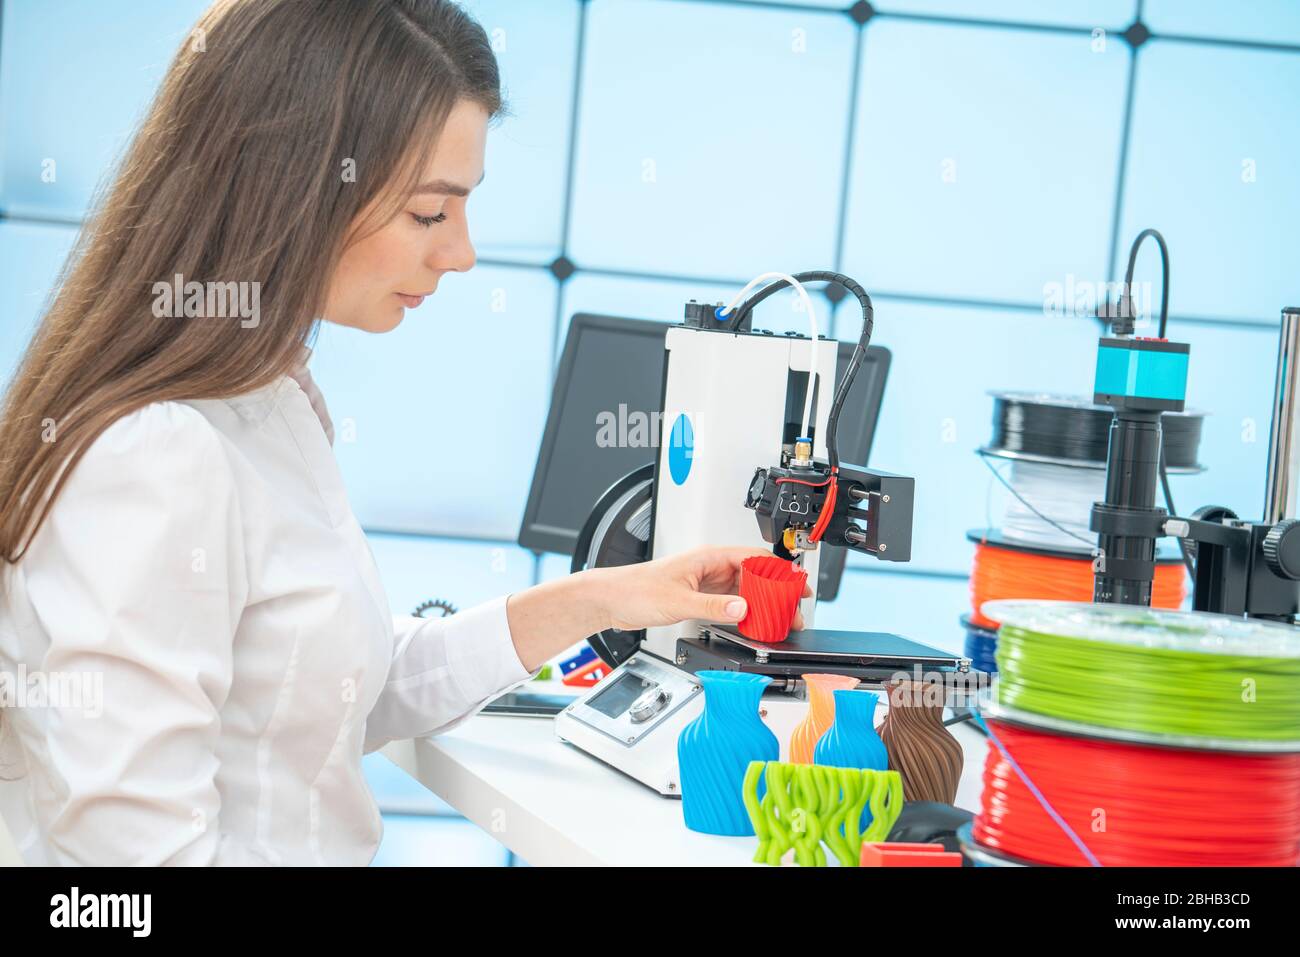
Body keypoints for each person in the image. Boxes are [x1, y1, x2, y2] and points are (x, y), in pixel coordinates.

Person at [0, 0, 804, 866]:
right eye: (430, 213)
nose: (460, 253)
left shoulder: (269, 399)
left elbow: (340, 687)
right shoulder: (158, 452)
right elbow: (134, 863)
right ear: (291, 186)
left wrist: (609, 597)